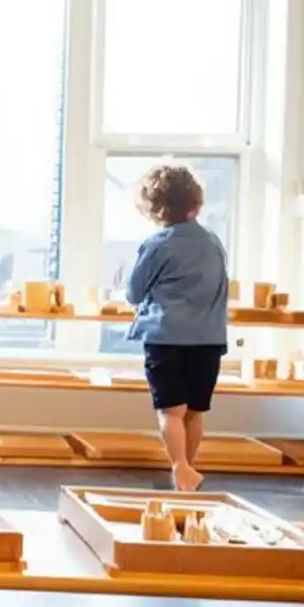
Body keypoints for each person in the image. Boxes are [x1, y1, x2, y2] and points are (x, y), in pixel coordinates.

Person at [126, 164, 229, 492]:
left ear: (154, 208)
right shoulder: (213, 243)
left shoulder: (158, 244)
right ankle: (190, 468)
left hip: (167, 337)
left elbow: (134, 292)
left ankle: (180, 466)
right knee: (195, 411)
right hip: (209, 339)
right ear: (195, 203)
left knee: (171, 411)